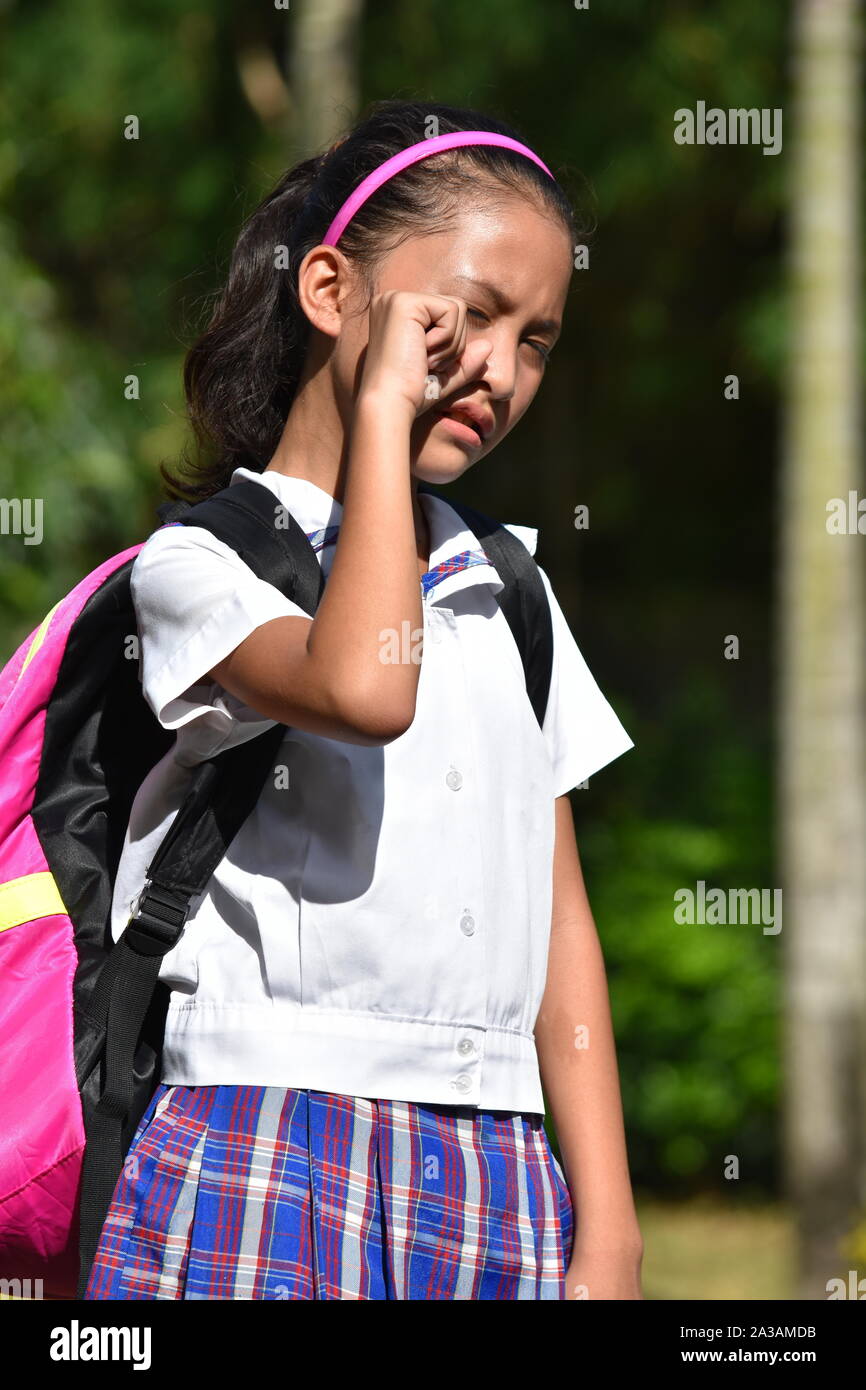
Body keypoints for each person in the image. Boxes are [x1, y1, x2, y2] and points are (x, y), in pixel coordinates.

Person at [84, 99, 642, 1301]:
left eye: (537, 340)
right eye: (469, 314)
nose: (497, 369)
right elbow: (363, 684)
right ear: (331, 292)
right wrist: (383, 417)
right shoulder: (200, 567)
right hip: (263, 1141)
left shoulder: (508, 588)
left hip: (498, 1162)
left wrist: (609, 1230)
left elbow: (560, 926)